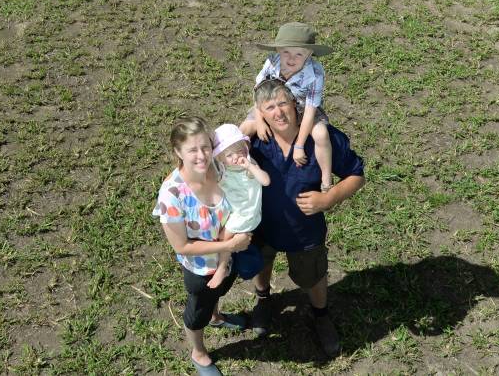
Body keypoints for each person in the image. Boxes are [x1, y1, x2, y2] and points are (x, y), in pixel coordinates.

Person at [247, 79, 366, 358]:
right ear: (260, 114)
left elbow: (356, 175)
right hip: (261, 225)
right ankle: (264, 300)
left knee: (313, 275)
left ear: (295, 104)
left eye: (283, 104)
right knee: (261, 264)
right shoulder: (254, 139)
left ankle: (321, 315)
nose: (278, 113)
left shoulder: (320, 136)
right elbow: (211, 157)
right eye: (270, 107)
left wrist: (329, 198)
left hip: (305, 232)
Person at [153, 117, 253, 376]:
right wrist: (232, 243)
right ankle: (198, 352)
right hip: (200, 270)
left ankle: (216, 316)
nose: (202, 155)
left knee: (219, 292)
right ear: (178, 152)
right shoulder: (172, 195)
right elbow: (182, 246)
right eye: (192, 150)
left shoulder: (218, 168)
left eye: (206, 147)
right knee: (196, 312)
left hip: (226, 259)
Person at [241, 22, 335, 191]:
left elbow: (309, 111)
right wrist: (260, 120)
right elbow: (258, 91)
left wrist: (299, 145)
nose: (291, 59)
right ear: (278, 51)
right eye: (286, 52)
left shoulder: (315, 73)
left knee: (321, 134)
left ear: (309, 54)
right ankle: (241, 167)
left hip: (302, 108)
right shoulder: (272, 61)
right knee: (244, 130)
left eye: (299, 54)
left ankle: (326, 181)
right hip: (272, 103)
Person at [207, 124, 271, 289]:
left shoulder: (250, 166)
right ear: (220, 158)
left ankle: (222, 267)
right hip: (233, 211)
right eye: (229, 155)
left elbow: (266, 181)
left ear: (246, 148)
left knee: (223, 238)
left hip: (246, 215)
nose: (236, 158)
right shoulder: (224, 168)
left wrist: (250, 167)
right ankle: (226, 261)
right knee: (220, 235)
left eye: (240, 151)